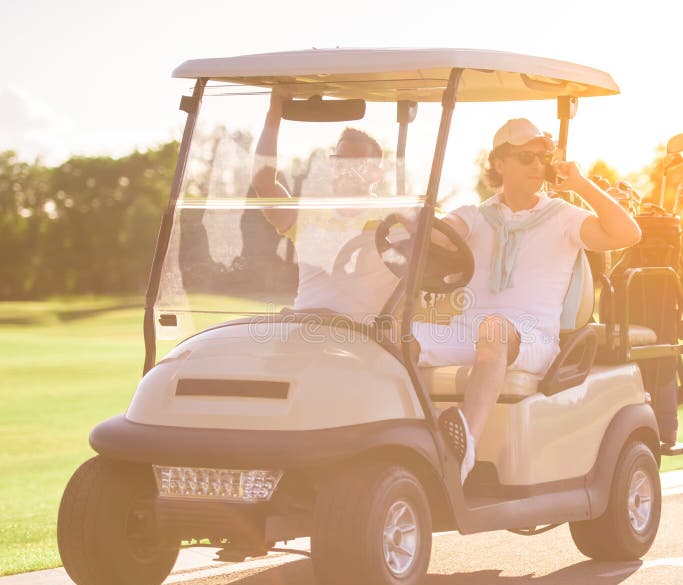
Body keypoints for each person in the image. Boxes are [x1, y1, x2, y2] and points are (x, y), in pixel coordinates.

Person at [413, 118, 642, 483]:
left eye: (542, 158)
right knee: (395, 337)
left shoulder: (564, 217)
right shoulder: (476, 216)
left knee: (493, 330)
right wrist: (422, 229)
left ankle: (463, 449)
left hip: (531, 338)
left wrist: (580, 184)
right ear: (499, 163)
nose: (537, 165)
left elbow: (627, 233)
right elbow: (440, 235)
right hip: (467, 333)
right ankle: (407, 440)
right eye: (526, 158)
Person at [251, 91, 398, 320]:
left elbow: (446, 235)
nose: (346, 171)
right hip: (302, 329)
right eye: (340, 163)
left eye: (357, 165)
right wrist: (275, 112)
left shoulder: (394, 220)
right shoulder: (310, 215)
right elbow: (263, 183)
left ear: (375, 174)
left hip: (361, 336)